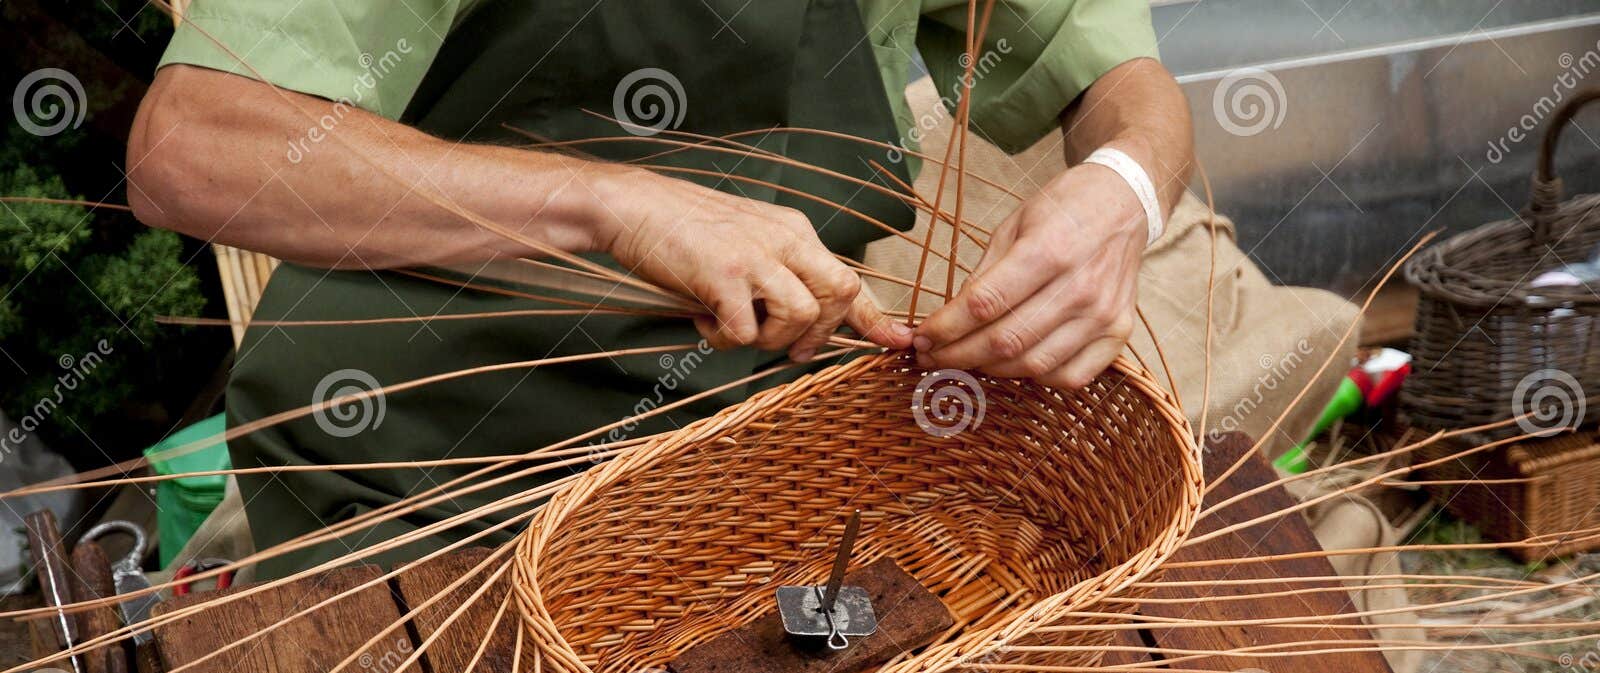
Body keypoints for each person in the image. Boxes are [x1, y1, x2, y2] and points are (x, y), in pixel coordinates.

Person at [129, 0, 1193, 577]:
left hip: (742, 438)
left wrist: (1125, 187)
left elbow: (1107, 69)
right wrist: (613, 205)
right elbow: (192, 145)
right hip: (422, 463)